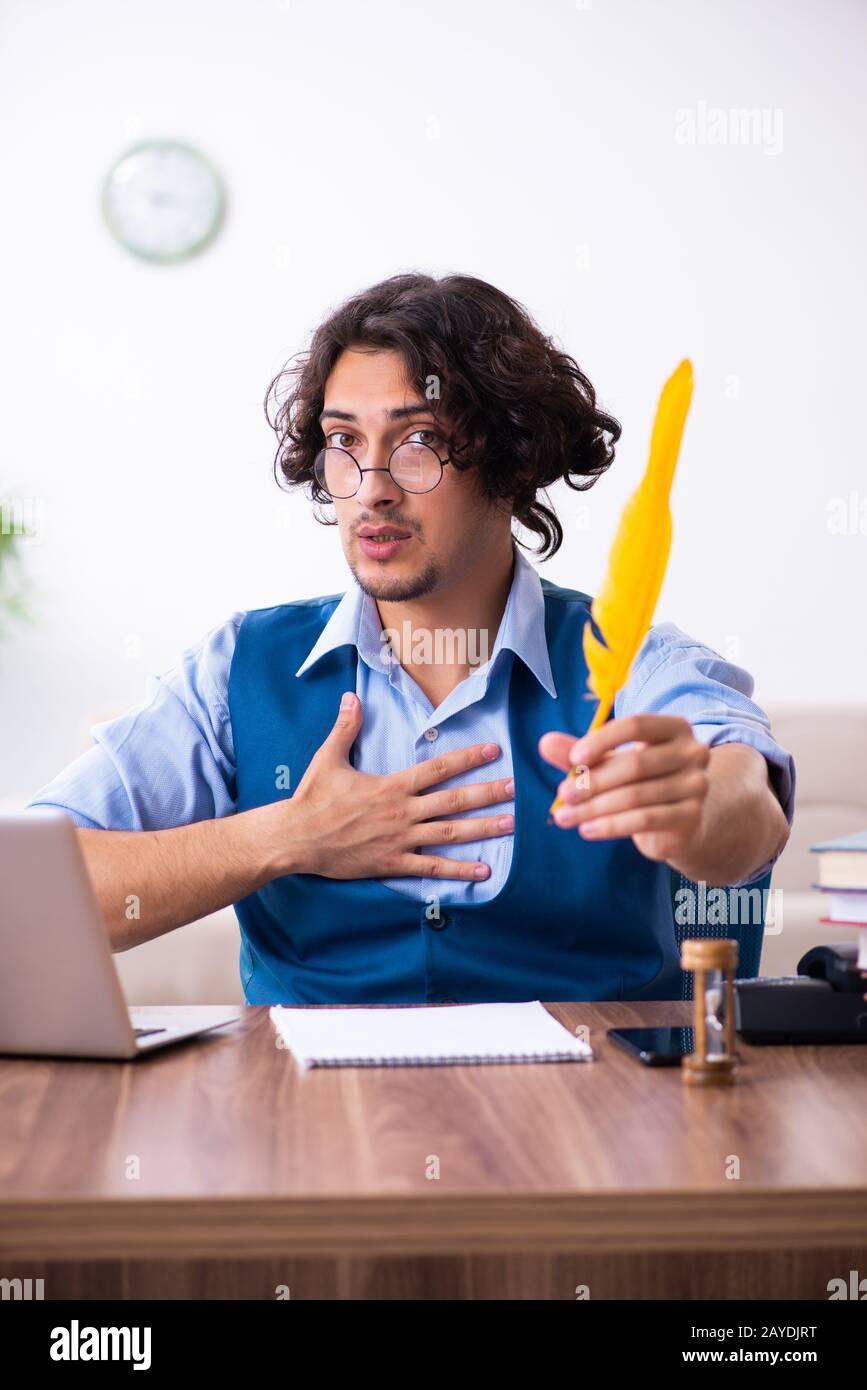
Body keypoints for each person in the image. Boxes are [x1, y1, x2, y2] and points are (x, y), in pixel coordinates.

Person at [27, 272, 794, 1004]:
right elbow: (31, 894)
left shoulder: (637, 664)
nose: (372, 486)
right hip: (309, 1125)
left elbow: (746, 805)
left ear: (510, 457)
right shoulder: (240, 669)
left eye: (418, 440)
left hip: (590, 1122)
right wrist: (285, 836)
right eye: (344, 443)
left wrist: (692, 804)